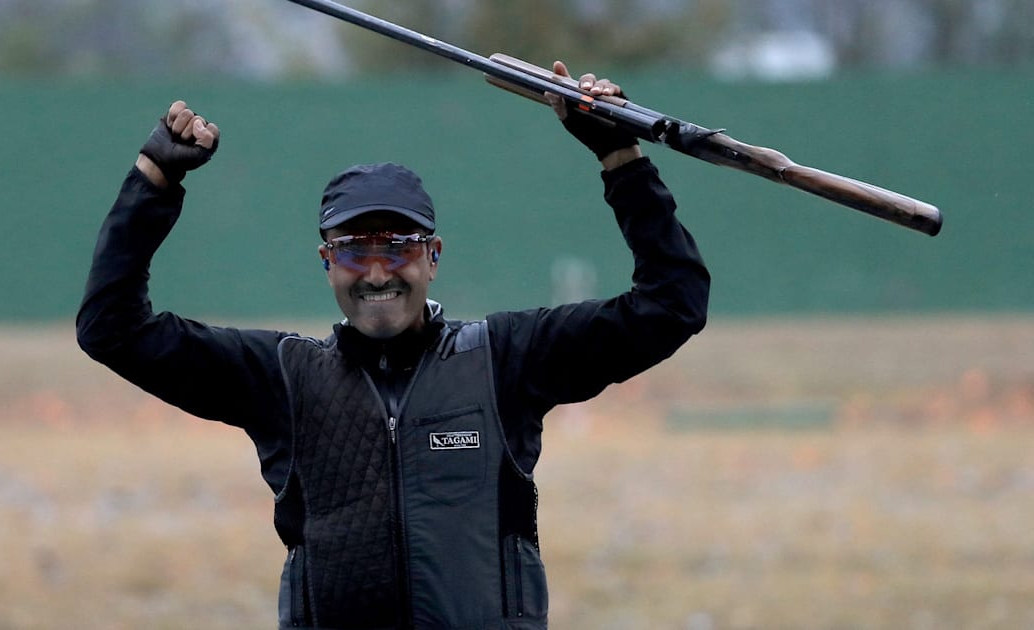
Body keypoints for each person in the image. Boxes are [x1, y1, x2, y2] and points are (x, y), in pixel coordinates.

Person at [77, 62, 709, 630]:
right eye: (354, 249)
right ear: (327, 262)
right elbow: (111, 328)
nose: (377, 272)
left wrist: (621, 158)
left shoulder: (506, 360)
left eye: (399, 246)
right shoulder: (281, 378)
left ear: (433, 257)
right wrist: (154, 179)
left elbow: (671, 305)